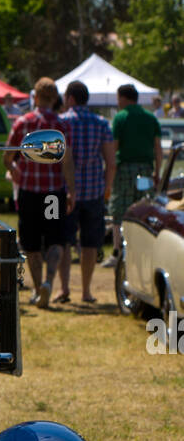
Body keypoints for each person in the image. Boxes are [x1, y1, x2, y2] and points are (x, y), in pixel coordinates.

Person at [3, 76, 76, 309]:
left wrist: (14, 169)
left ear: (35, 96)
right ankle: (48, 282)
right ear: (54, 98)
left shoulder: (23, 122)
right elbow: (67, 162)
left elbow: (7, 156)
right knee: (55, 239)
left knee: (31, 242)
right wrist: (71, 191)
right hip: (53, 193)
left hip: (28, 192)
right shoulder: (61, 125)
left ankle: (36, 289)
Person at [56, 80, 116, 304]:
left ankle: (63, 289)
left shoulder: (61, 122)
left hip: (64, 192)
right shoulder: (101, 123)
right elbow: (111, 162)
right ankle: (86, 291)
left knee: (63, 240)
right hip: (94, 191)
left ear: (70, 98)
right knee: (91, 243)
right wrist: (107, 187)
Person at [105, 84, 162, 267]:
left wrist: (109, 174)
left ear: (123, 98)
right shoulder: (150, 118)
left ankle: (117, 252)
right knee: (144, 210)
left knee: (119, 209)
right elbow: (158, 148)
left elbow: (113, 147)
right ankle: (144, 251)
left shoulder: (121, 118)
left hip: (125, 170)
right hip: (145, 170)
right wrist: (157, 172)